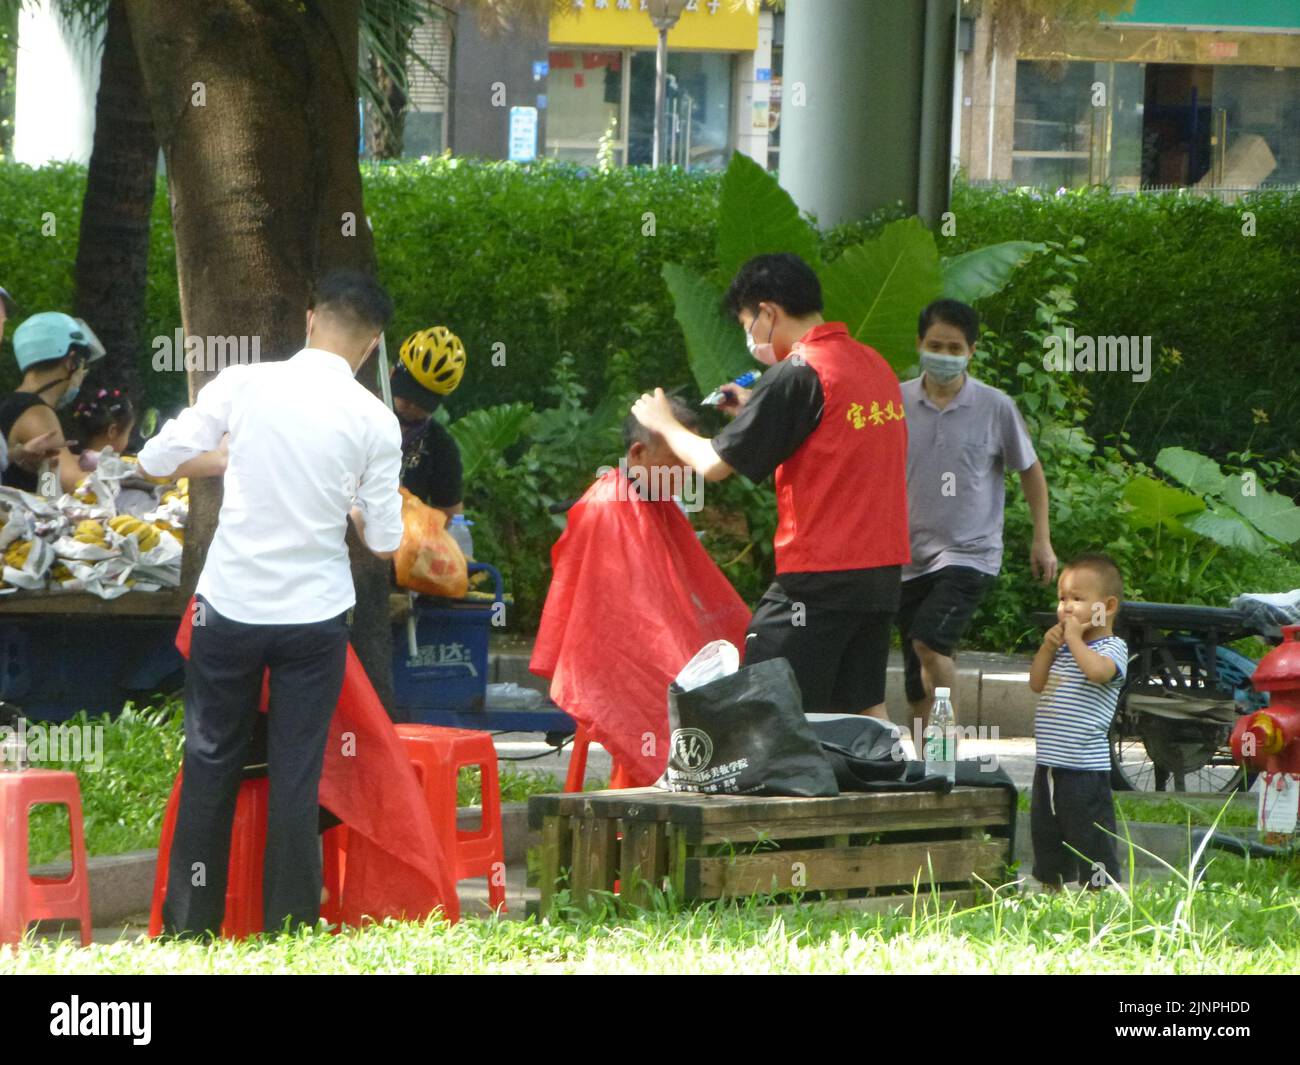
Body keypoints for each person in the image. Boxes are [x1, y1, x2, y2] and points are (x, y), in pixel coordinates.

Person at [138, 269, 405, 937]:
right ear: (372, 344)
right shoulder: (376, 420)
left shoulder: (245, 384)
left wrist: (229, 456)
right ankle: (288, 927)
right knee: (296, 771)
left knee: (209, 759)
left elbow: (156, 456)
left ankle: (189, 925)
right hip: (313, 619)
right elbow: (384, 540)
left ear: (309, 317)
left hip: (227, 607)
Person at [631, 252, 910, 721]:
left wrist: (663, 423)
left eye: (747, 322)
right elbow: (831, 440)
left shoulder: (799, 372)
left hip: (820, 574)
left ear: (768, 312)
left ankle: (781, 793)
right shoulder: (871, 364)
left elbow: (713, 464)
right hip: (880, 574)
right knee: (861, 705)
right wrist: (754, 412)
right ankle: (896, 783)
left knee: (767, 698)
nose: (750, 337)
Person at [531, 397, 751, 786]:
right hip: (611, 657)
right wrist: (681, 658)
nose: (689, 472)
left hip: (642, 645)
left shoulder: (654, 499)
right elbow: (620, 619)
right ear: (638, 452)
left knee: (733, 660)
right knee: (675, 687)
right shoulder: (606, 506)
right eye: (679, 460)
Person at [899, 298, 1057, 733]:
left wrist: (1041, 539)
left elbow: (1030, 471)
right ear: (919, 344)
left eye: (955, 348)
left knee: (928, 641)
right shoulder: (895, 403)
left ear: (971, 350)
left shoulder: (995, 406)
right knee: (916, 671)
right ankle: (926, 768)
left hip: (969, 553)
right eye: (936, 345)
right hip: (906, 555)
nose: (945, 356)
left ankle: (947, 739)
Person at [1027, 552, 1127, 892]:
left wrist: (1072, 640)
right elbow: (1037, 683)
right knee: (1047, 829)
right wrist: (1047, 649)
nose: (1066, 607)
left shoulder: (1113, 648)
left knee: (1090, 832)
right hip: (1049, 764)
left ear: (1106, 607)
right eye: (1062, 599)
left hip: (1084, 768)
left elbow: (1098, 673)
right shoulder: (1064, 650)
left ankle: (1098, 890)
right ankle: (1051, 886)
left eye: (1078, 599)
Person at [1, 312, 103, 492]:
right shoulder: (36, 414)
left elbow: (49, 480)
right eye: (82, 366)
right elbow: (74, 483)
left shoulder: (12, 404)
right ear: (71, 362)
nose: (82, 375)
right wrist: (127, 477)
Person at [390, 325, 465, 518]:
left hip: (399, 542)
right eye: (407, 398)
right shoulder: (357, 416)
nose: (413, 408)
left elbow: (450, 514)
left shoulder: (441, 447)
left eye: (423, 403)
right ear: (391, 375)